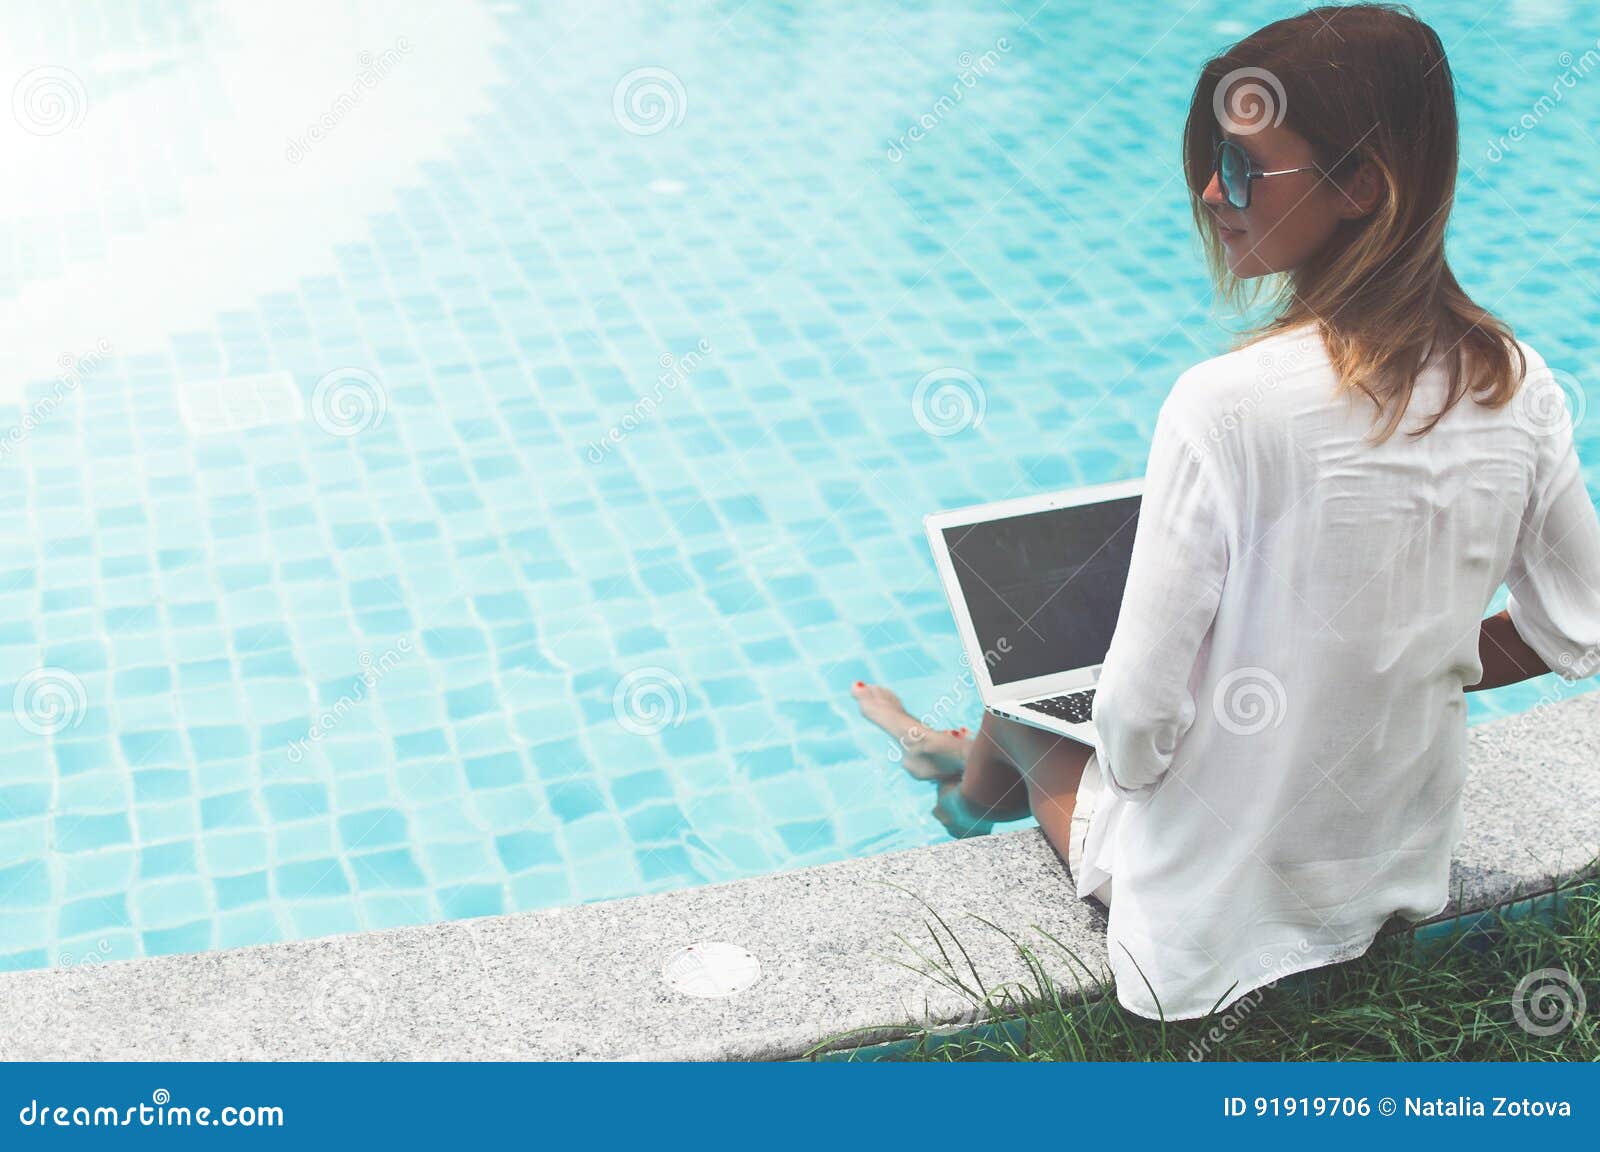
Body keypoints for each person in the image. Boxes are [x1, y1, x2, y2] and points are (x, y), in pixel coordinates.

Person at [852, 3, 1600, 1021]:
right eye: (1210, 158)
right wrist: (1390, 666)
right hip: (1389, 866)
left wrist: (1198, 736)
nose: (1211, 191)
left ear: (1360, 190)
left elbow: (1136, 727)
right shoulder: (1518, 384)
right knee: (1041, 681)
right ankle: (948, 751)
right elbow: (1578, 627)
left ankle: (951, 788)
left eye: (1243, 167)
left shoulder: (1224, 402)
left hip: (1215, 906)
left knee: (1030, 705)